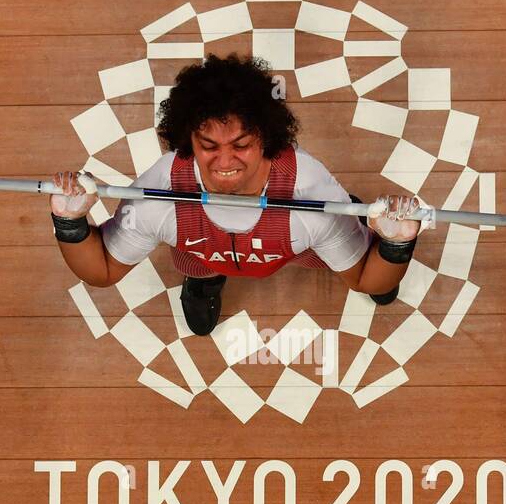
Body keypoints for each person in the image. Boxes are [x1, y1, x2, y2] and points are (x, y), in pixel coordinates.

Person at [48, 53, 425, 336]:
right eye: (208, 145)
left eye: (241, 144)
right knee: (193, 260)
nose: (224, 161)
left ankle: (369, 231)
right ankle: (206, 281)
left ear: (266, 137)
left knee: (364, 270)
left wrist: (393, 248)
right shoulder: (159, 196)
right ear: (188, 140)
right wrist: (70, 222)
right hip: (201, 250)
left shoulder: (310, 195)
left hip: (294, 249)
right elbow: (103, 271)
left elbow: (365, 280)